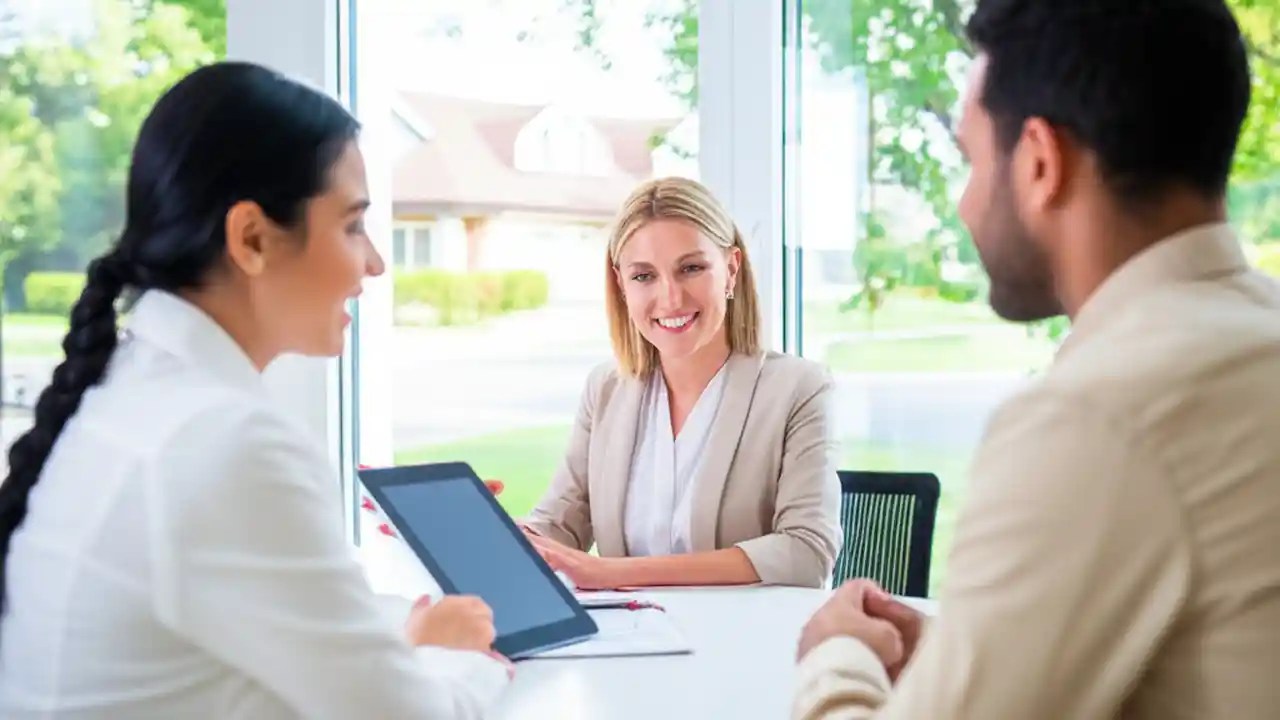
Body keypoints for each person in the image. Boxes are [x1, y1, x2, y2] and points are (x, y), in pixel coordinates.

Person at [792, 0, 1280, 717]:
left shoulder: (1097, 416)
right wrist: (969, 647)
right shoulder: (1254, 339)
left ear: (1042, 163)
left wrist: (836, 655)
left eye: (972, 159)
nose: (962, 202)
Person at [0, 62, 510, 719]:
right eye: (353, 225)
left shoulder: (131, 397)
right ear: (252, 238)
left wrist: (400, 639)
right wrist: (461, 656)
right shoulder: (221, 441)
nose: (376, 263)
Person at [518, 176, 843, 590]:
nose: (670, 298)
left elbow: (806, 553)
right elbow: (558, 528)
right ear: (621, 285)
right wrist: (496, 532)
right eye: (643, 276)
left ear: (731, 269)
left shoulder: (799, 389)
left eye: (691, 269)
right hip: (635, 643)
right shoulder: (606, 389)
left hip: (748, 643)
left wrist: (613, 573)